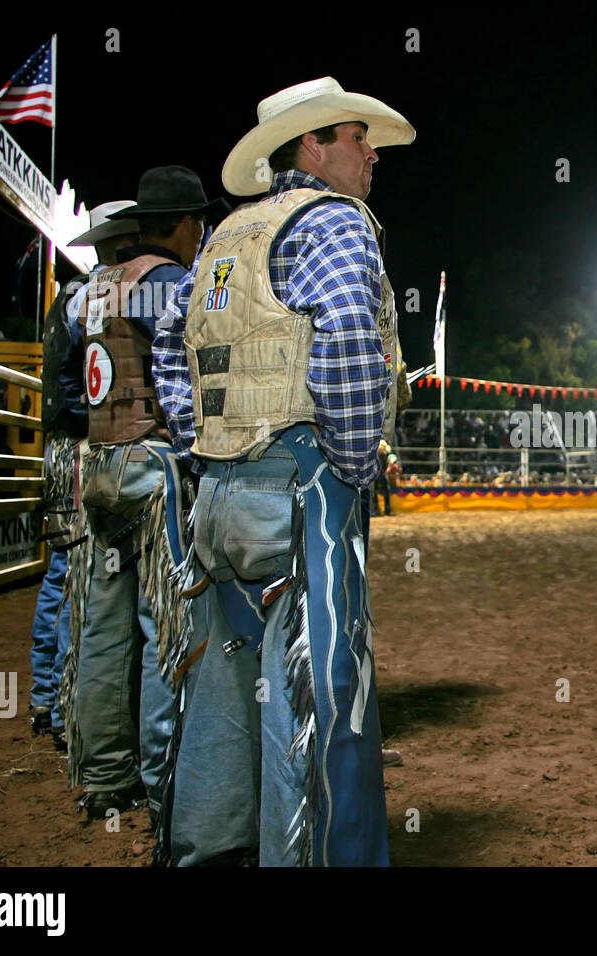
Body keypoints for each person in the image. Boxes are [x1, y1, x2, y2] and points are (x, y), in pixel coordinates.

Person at [153, 77, 414, 867]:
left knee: (221, 691)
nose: (370, 151)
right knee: (326, 691)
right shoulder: (335, 224)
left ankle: (207, 849)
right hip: (302, 482)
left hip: (220, 494)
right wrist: (352, 458)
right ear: (312, 146)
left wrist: (205, 439)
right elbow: (345, 336)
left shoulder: (228, 236)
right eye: (355, 136)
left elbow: (172, 343)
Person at [67, 167, 226, 824]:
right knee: (168, 623)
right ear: (185, 224)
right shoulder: (169, 285)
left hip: (96, 459)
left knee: (102, 625)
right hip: (150, 459)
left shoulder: (93, 288)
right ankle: (167, 784)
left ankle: (103, 772)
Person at [30, 201, 138, 753]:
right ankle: (60, 699)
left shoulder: (75, 297)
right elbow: (81, 389)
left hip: (65, 445)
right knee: (78, 570)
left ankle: (51, 697)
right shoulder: (103, 297)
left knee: (67, 568)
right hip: (81, 445)